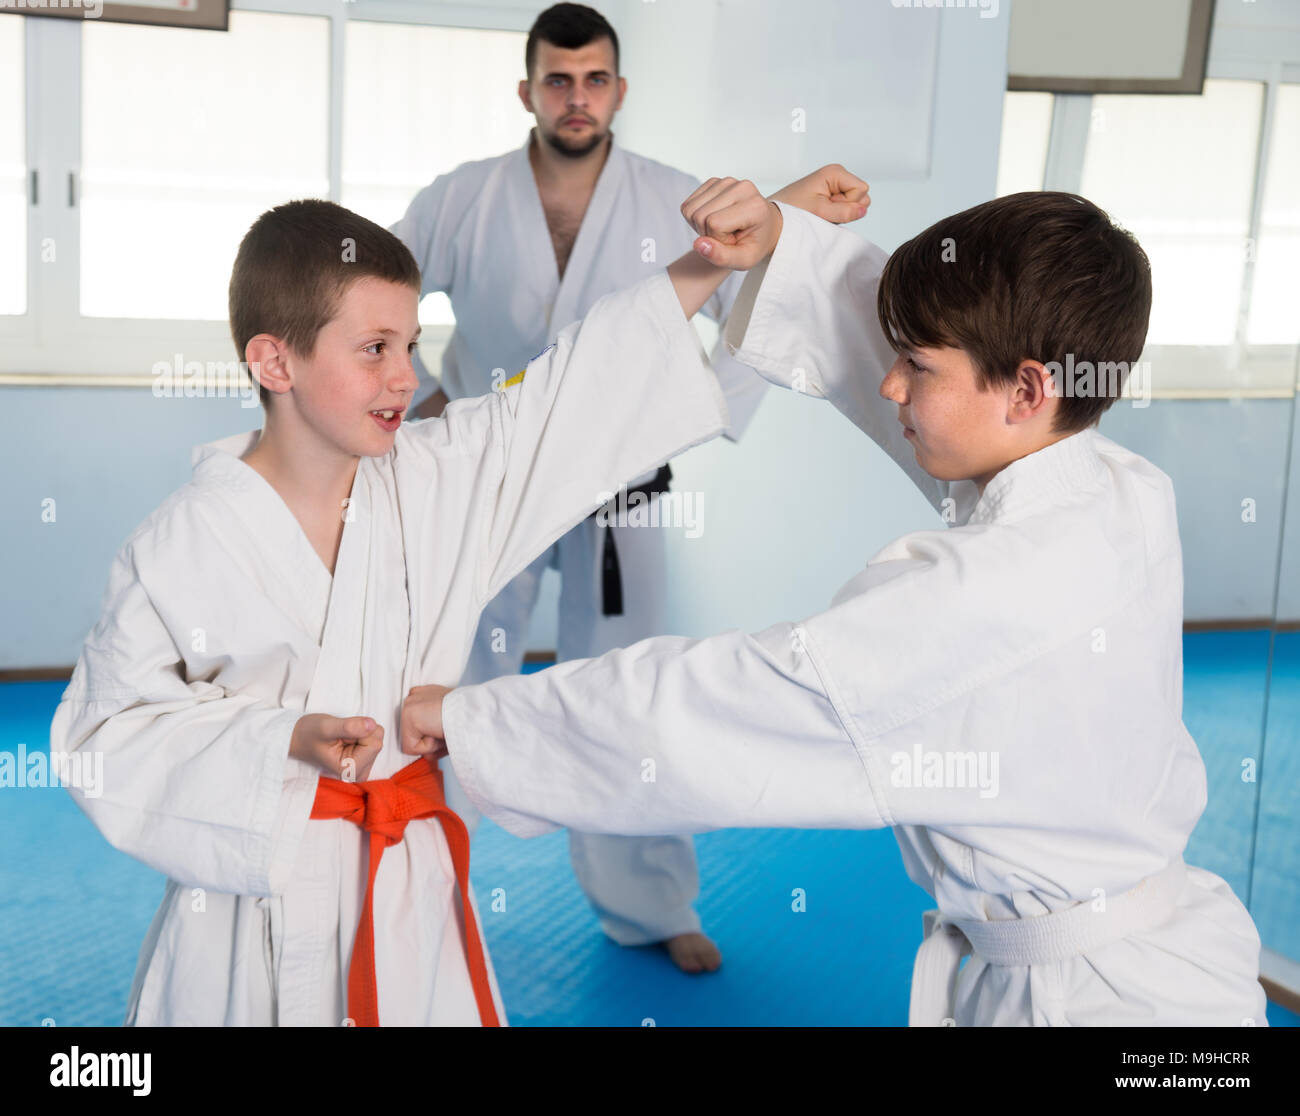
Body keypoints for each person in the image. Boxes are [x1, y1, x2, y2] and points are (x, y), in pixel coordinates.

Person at [400, 172, 1269, 1026]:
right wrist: (791, 249)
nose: (890, 384)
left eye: (916, 367)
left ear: (1031, 388)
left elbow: (715, 710)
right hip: (1167, 964)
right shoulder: (1114, 486)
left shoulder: (981, 602)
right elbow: (934, 357)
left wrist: (480, 721)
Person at [48, 190, 759, 1026]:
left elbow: (564, 400)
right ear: (275, 363)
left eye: (414, 345)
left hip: (408, 877)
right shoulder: (182, 541)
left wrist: (703, 261)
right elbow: (103, 734)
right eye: (375, 348)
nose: (406, 378)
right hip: (249, 899)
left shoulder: (434, 479)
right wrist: (283, 741)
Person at [390, 2, 767, 973]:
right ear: (526, 90)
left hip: (623, 487)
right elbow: (375, 296)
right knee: (454, 685)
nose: (576, 97)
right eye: (557, 80)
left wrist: (696, 405)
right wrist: (422, 395)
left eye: (594, 79)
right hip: (487, 481)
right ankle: (426, 893)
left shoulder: (673, 200)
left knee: (632, 688)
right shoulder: (461, 198)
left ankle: (649, 905)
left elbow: (760, 302)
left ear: (619, 91)